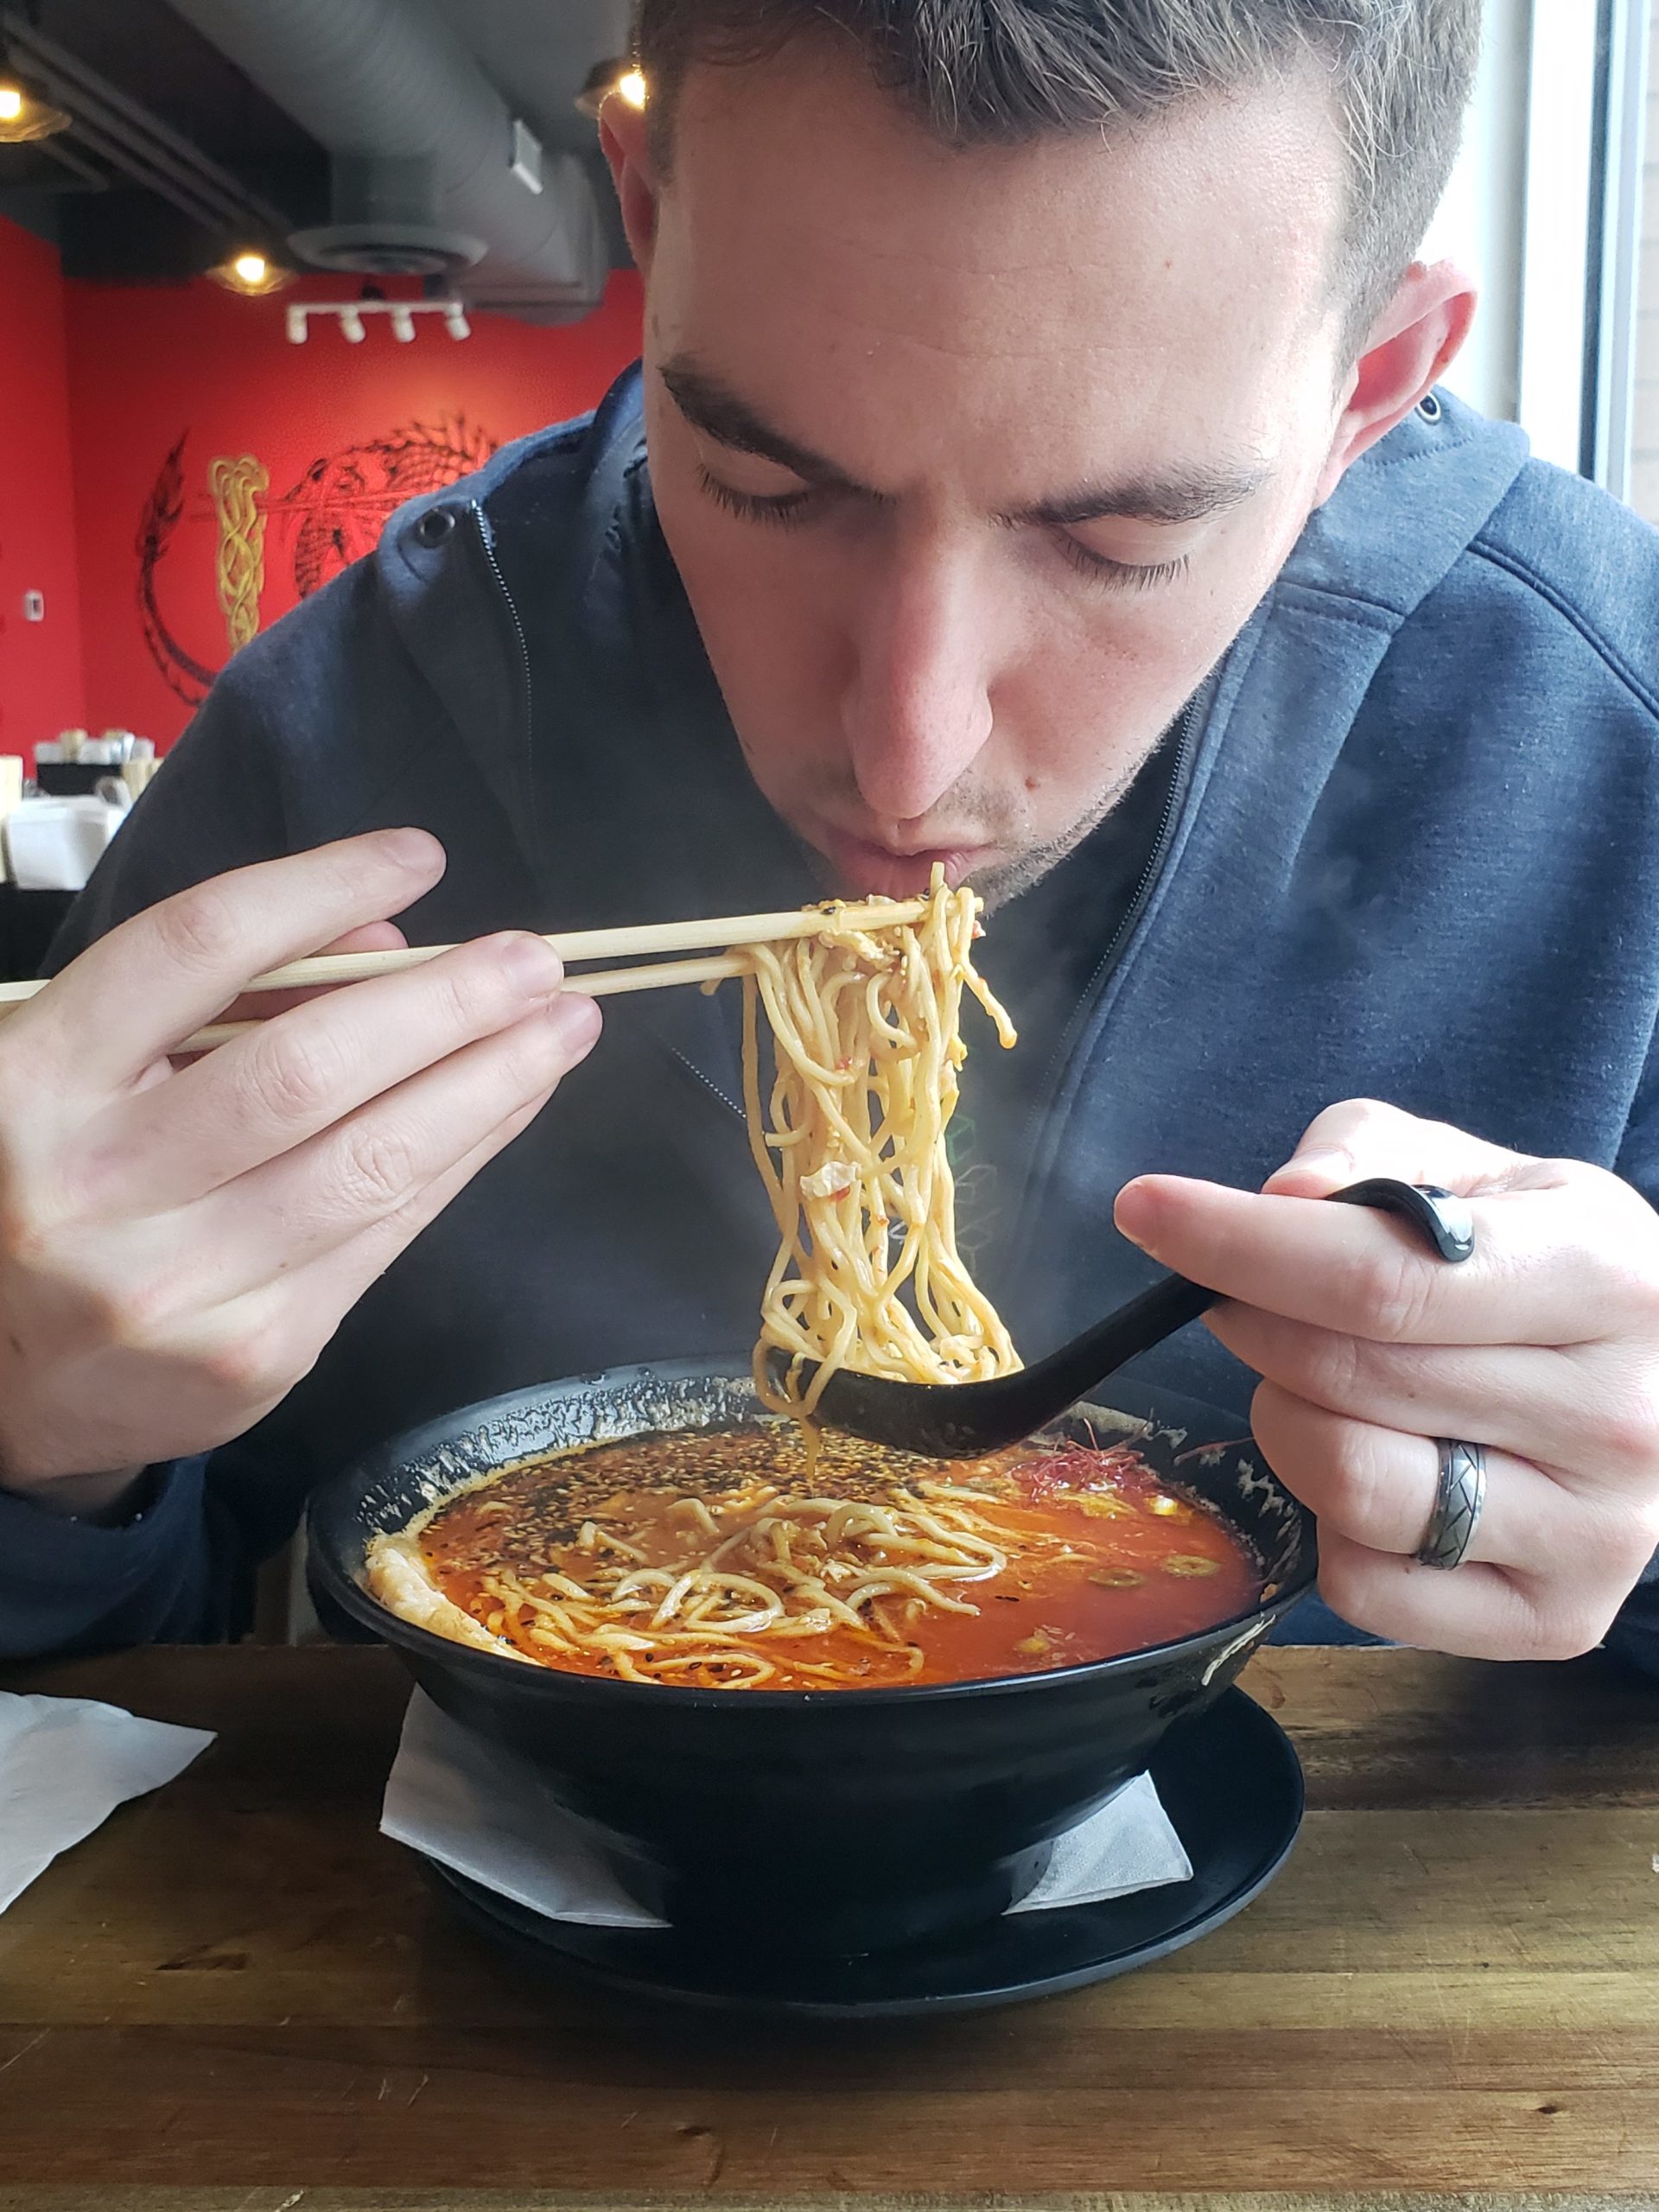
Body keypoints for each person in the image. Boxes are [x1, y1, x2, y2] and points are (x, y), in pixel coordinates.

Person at [3, 0, 1659, 1672]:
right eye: (767, 483)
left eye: (1119, 535)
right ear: (648, 216)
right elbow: (128, 1689)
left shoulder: (1614, 734)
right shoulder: (339, 734)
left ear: (1370, 383)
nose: (906, 750)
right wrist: (40, 1452)